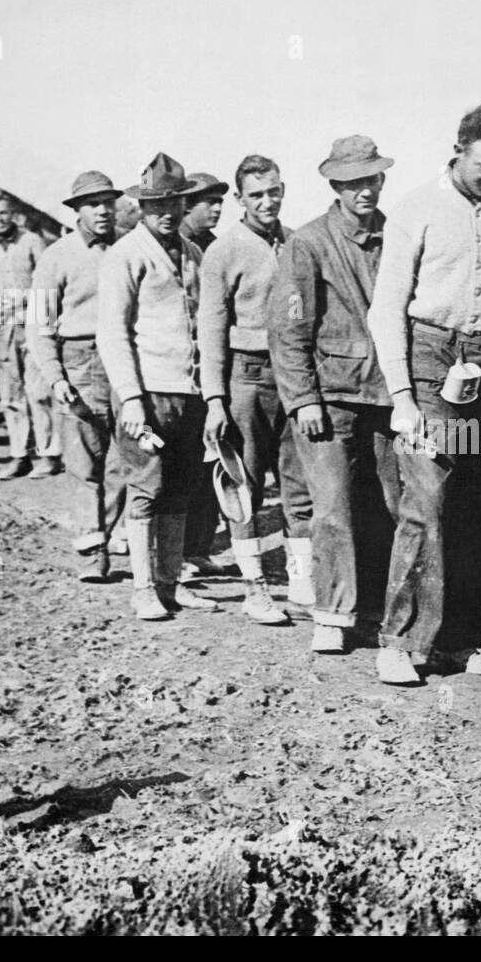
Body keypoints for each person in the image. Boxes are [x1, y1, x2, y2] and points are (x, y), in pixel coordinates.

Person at [367, 100, 481, 684]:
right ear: (458, 151)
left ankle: (462, 641)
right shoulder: (416, 209)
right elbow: (387, 308)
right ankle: (400, 642)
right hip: (432, 365)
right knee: (428, 504)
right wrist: (402, 396)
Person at [267, 135, 401, 655]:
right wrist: (303, 399)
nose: (363, 190)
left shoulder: (398, 235)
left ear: (382, 179)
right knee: (332, 509)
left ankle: (374, 610)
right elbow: (289, 328)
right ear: (335, 186)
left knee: (387, 506)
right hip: (330, 398)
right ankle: (332, 613)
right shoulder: (308, 243)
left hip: (388, 396)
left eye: (370, 179)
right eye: (351, 182)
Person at [97, 152, 217, 620]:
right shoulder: (125, 254)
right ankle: (143, 587)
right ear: (142, 207)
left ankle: (170, 582)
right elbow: (112, 332)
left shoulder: (193, 253)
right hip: (146, 396)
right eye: (156, 205)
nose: (166, 213)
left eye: (174, 203)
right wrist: (130, 398)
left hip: (187, 393)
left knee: (181, 487)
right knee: (147, 485)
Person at [199, 155, 313, 625]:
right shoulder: (223, 251)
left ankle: (302, 583)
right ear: (239, 199)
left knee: (300, 489)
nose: (267, 202)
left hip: (295, 378)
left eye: (273, 192)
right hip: (246, 378)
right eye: (256, 195)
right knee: (243, 486)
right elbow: (210, 329)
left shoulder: (298, 242)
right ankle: (255, 588)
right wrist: (214, 400)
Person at [29, 171, 128, 582]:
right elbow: (39, 325)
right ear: (76, 211)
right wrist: (56, 376)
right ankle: (92, 549)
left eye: (107, 202)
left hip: (125, 360)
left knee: (125, 459)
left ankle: (109, 532)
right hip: (80, 361)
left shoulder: (129, 247)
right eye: (92, 204)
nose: (102, 211)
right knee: (85, 461)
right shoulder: (57, 256)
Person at [0, 189, 60, 480]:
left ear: (12, 214)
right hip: (0, 328)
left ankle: (48, 454)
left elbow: (49, 281)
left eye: (4, 213)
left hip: (31, 324)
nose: (0, 219)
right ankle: (20, 454)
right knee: (11, 395)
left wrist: (27, 300)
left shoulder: (31, 241)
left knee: (39, 391)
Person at [179, 172, 237, 581]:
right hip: (181, 371)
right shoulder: (176, 247)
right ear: (187, 205)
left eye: (220, 201)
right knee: (182, 465)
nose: (217, 209)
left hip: (214, 369)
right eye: (208, 202)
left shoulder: (216, 247)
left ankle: (198, 547)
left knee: (210, 463)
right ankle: (176, 551)